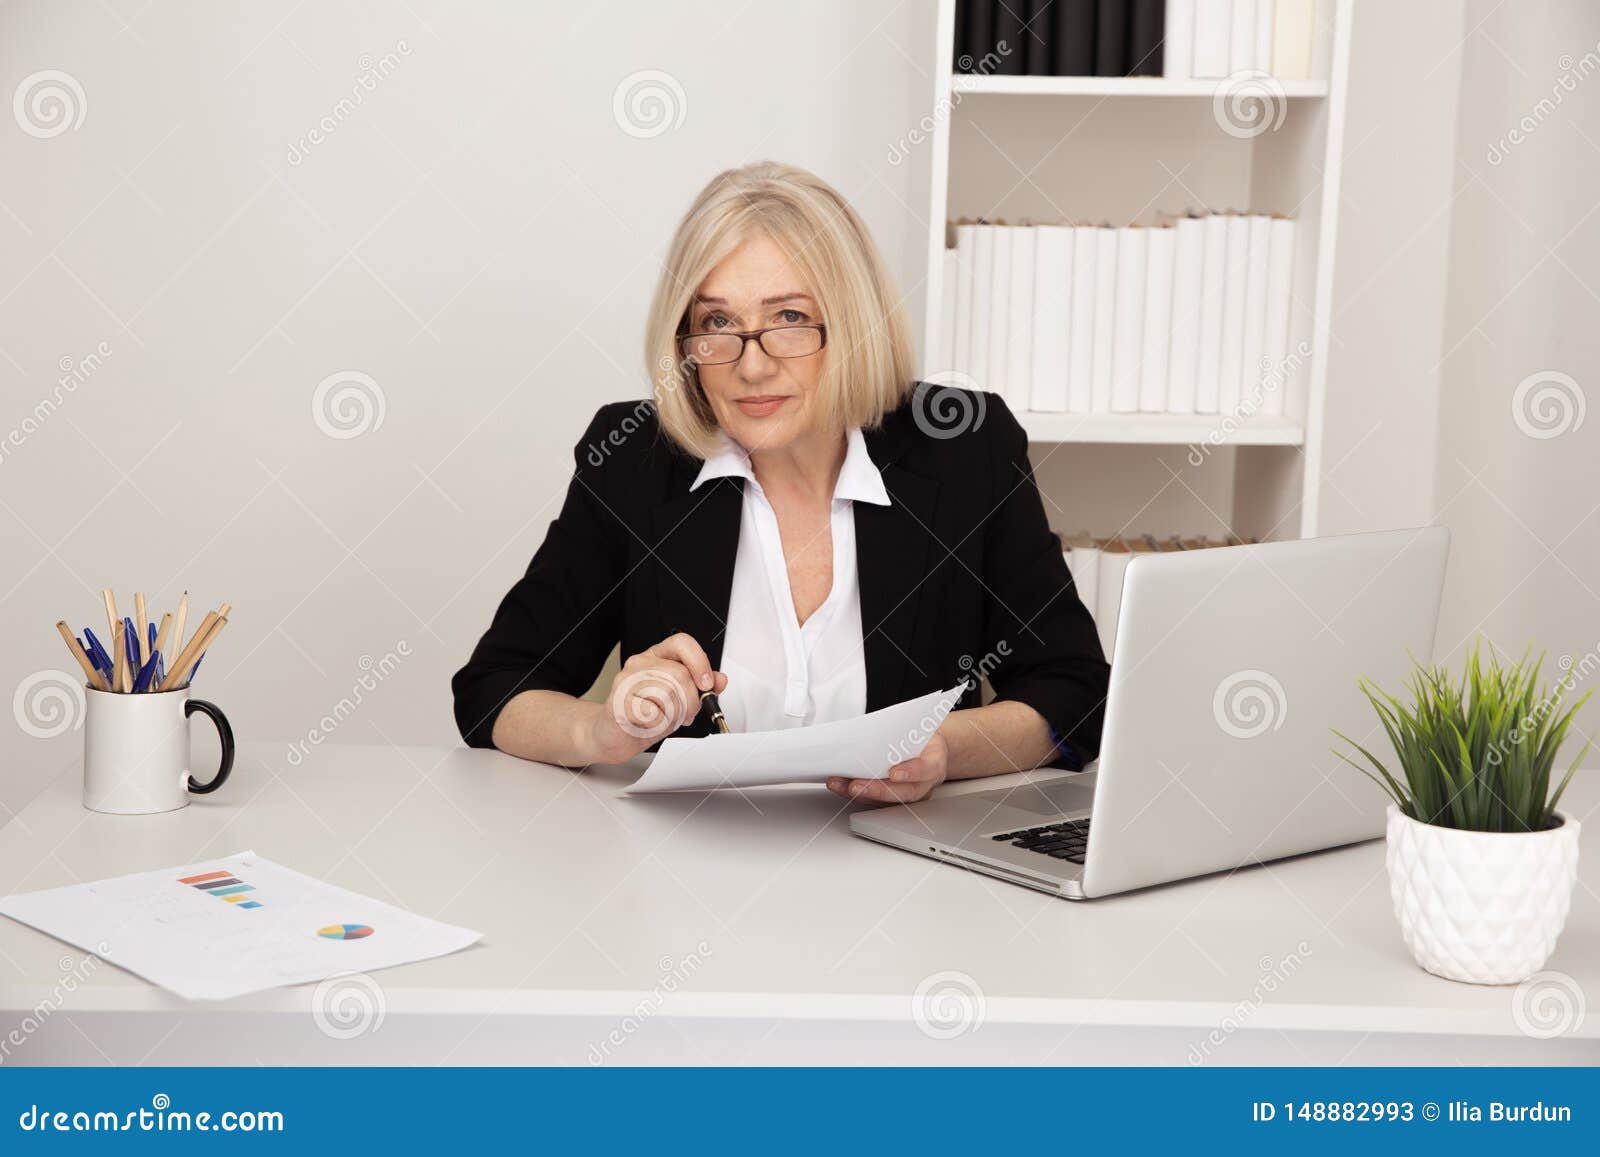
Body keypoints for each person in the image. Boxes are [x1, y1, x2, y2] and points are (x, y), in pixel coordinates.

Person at [452, 161, 1108, 804]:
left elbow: (1074, 691)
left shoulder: (965, 447)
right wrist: (604, 728)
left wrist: (939, 747)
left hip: (905, 876)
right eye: (716, 324)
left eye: (789, 318)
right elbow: (495, 689)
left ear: (852, 323)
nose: (752, 365)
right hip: (674, 882)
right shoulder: (633, 458)